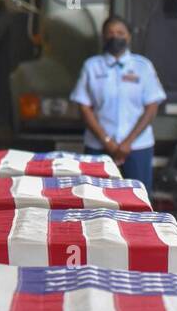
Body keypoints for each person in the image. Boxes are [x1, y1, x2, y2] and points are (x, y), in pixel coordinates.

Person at [70, 16, 165, 193]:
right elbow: (84, 106)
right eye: (110, 33)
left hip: (137, 147)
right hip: (99, 146)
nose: (115, 37)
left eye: (120, 33)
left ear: (129, 37)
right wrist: (107, 141)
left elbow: (152, 107)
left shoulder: (143, 66)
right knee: (94, 198)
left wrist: (127, 142)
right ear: (103, 37)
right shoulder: (92, 66)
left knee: (139, 199)